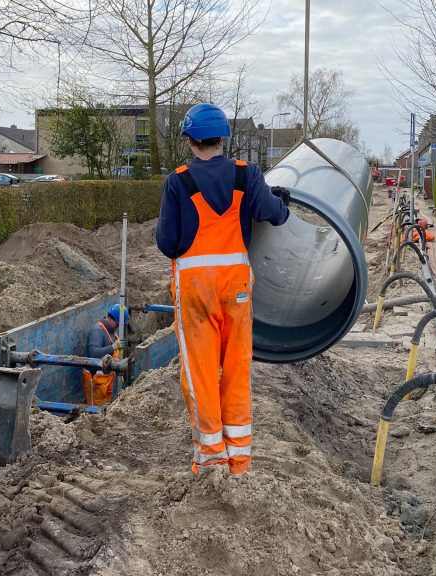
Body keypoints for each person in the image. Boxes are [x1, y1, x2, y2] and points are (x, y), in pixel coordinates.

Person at [156, 102, 290, 476]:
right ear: (224, 138)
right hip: (237, 288)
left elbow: (167, 243)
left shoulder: (178, 181)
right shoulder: (247, 174)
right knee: (236, 369)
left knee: (200, 373)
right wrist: (281, 202)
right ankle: (239, 461)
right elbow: (273, 213)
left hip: (196, 290)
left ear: (189, 139)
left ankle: (211, 458)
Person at [82, 303, 127, 406]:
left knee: (104, 407)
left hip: (106, 379)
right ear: (110, 318)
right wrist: (113, 347)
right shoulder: (97, 331)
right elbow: (94, 353)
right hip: (96, 379)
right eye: (117, 323)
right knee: (95, 410)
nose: (118, 326)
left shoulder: (112, 331)